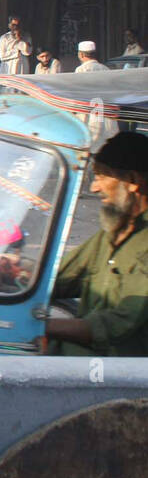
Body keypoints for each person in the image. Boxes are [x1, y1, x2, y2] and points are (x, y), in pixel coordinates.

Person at [43, 132, 148, 356]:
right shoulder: (113, 232)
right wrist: (15, 275)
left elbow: (119, 324)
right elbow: (60, 278)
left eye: (101, 177)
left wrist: (43, 327)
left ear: (133, 182)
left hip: (119, 377)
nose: (94, 188)